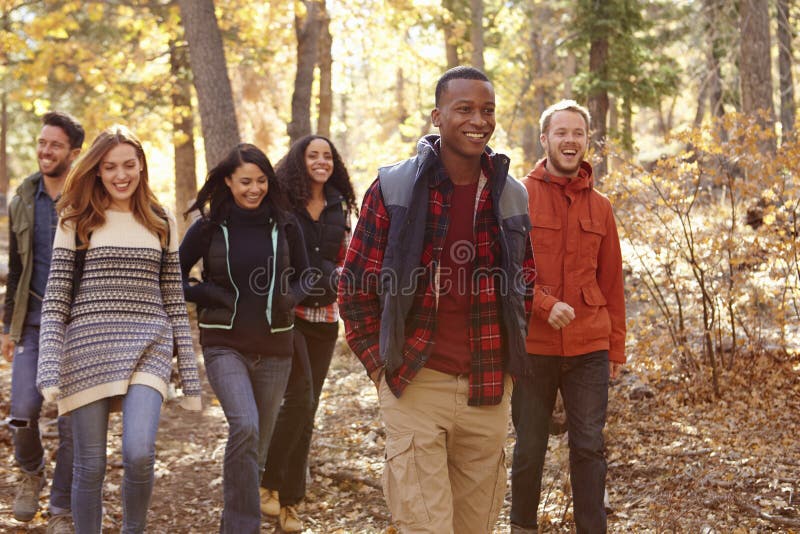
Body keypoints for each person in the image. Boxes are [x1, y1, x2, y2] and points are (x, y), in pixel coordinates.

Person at [338, 66, 536, 534]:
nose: (478, 120)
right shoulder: (395, 188)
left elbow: (524, 284)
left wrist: (510, 367)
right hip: (414, 381)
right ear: (437, 117)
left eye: (487, 110)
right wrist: (379, 367)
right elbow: (355, 286)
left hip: (488, 389)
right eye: (464, 108)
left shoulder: (512, 195)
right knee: (424, 527)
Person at [36, 125, 202, 534]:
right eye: (110, 167)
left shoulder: (161, 221)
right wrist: (48, 365)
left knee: (140, 453)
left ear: (142, 166)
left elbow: (173, 300)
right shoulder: (76, 221)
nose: (120, 175)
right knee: (89, 463)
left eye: (129, 165)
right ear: (97, 171)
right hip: (89, 349)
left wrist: (191, 378)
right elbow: (57, 299)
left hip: (150, 343)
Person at [179, 143, 310, 534]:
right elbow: (170, 277)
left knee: (258, 444)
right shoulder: (207, 228)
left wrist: (292, 297)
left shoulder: (286, 225)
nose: (254, 189)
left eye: (261, 181)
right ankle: (240, 526)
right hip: (225, 345)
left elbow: (308, 274)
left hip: (275, 348)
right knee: (246, 427)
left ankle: (234, 519)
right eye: (245, 182)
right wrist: (206, 293)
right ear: (227, 182)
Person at [509, 100, 626, 534]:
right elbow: (506, 272)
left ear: (587, 140)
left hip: (589, 346)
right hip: (533, 345)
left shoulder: (601, 206)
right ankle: (522, 525)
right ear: (545, 140)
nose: (570, 140)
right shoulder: (518, 195)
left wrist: (616, 346)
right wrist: (542, 304)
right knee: (529, 447)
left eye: (578, 133)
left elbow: (612, 282)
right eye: (561, 132)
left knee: (589, 447)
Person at [259, 134, 356, 532]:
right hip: (291, 315)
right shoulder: (284, 202)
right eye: (313, 155)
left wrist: (342, 279)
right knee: (298, 400)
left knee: (308, 409)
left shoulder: (338, 204)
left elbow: (344, 255)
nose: (321, 161)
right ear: (299, 162)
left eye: (327, 156)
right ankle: (267, 483)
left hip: (326, 317)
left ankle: (290, 504)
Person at [2, 111, 84, 533]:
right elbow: (17, 268)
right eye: (41, 142)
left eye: (54, 145)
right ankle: (31, 471)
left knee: (72, 421)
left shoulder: (89, 197)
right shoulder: (24, 198)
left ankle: (61, 509)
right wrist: (7, 329)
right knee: (23, 410)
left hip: (79, 324)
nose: (44, 151)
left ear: (73, 152)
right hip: (33, 321)